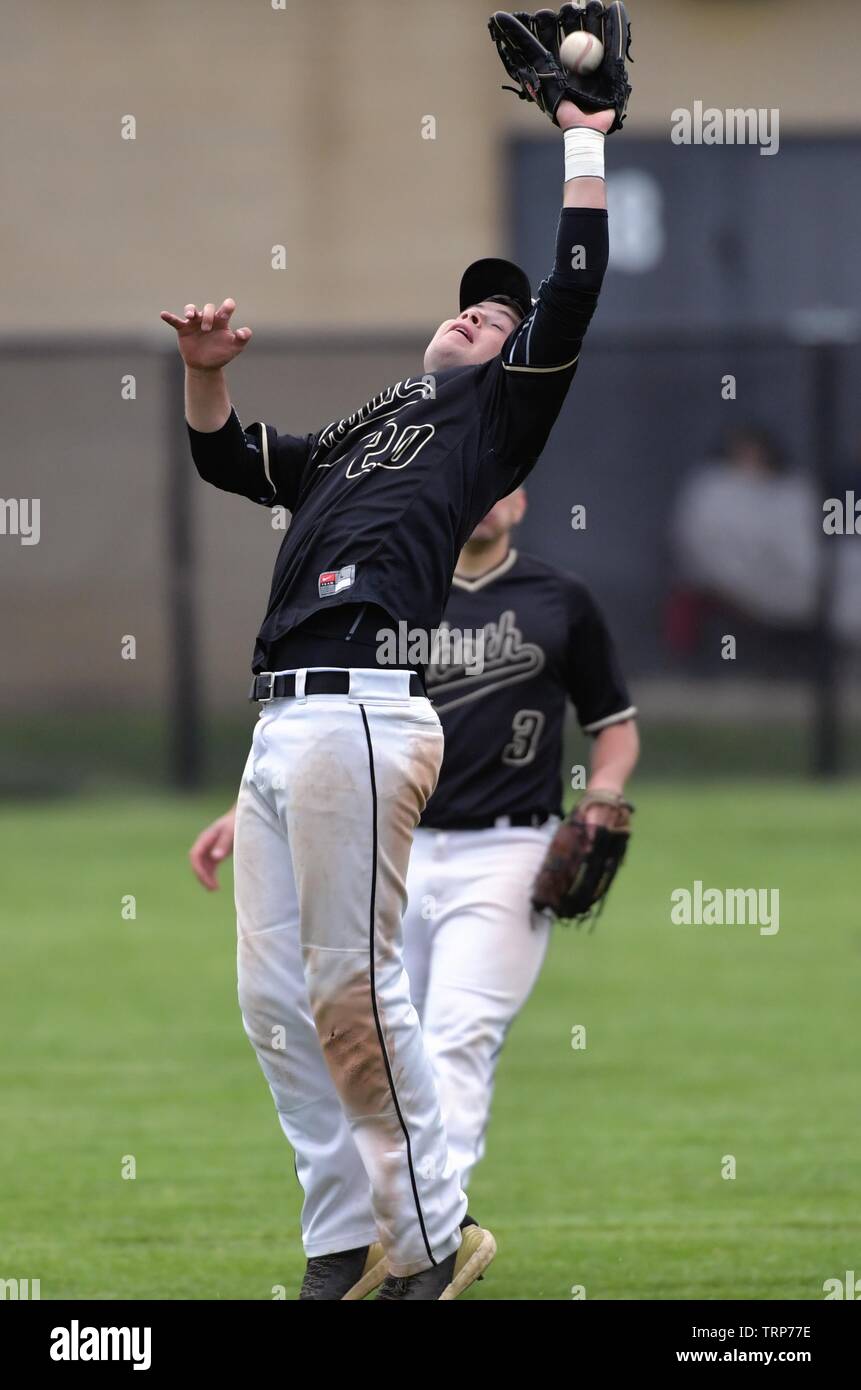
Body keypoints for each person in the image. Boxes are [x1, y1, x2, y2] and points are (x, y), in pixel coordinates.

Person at [162, 4, 631, 1302]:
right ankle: (339, 1243)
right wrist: (204, 373)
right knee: (274, 1003)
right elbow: (223, 453)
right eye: (471, 310)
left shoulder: (491, 429)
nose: (482, 322)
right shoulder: (374, 426)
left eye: (500, 320)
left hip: (360, 714)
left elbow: (576, 288)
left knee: (355, 987)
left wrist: (582, 142)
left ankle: (431, 1239)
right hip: (277, 727)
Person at [192, 488, 639, 1214]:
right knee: (376, 1039)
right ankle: (403, 1222)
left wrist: (601, 794)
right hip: (388, 849)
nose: (488, 502)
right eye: (476, 488)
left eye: (505, 488)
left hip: (509, 851)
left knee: (459, 1035)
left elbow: (613, 725)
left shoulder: (560, 598)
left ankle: (436, 1224)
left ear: (524, 504)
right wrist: (252, 807)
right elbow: (328, 727)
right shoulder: (394, 595)